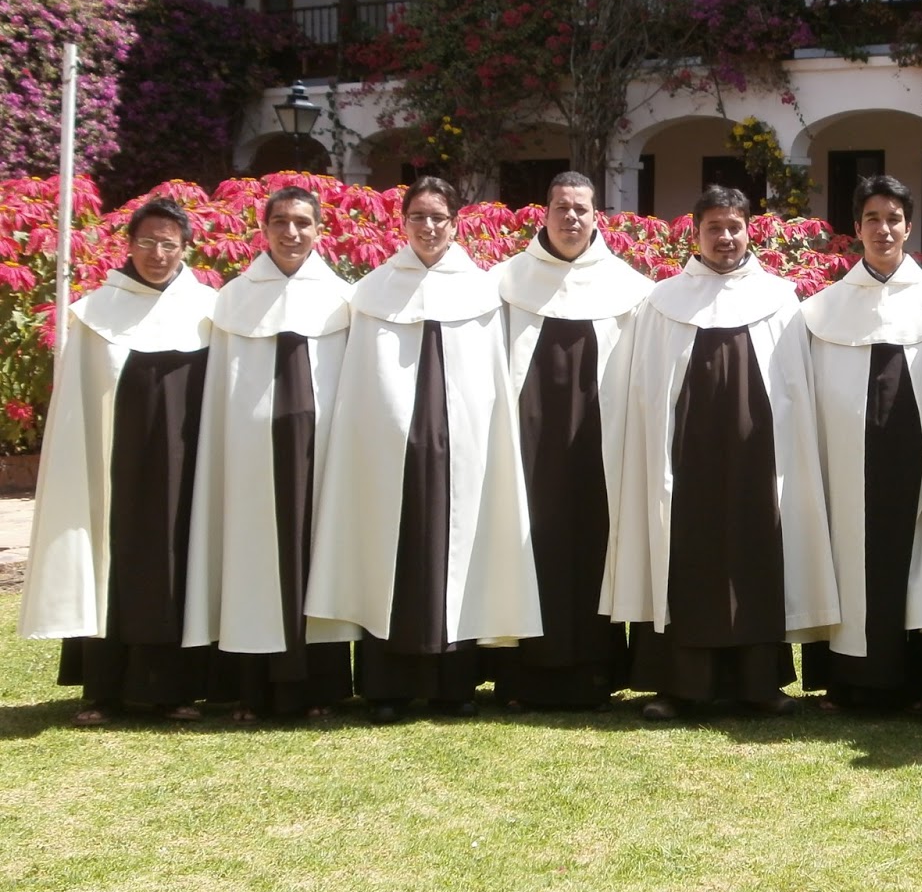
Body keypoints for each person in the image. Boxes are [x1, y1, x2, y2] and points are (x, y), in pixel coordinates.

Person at [305, 176, 541, 723]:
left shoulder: (484, 292)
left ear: (455, 224)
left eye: (438, 217)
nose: (428, 227)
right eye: (418, 217)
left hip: (465, 451)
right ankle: (387, 688)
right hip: (387, 453)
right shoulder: (371, 292)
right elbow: (360, 383)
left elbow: (492, 381)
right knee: (390, 555)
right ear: (403, 222)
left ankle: (452, 688)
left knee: (459, 555)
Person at [610, 185, 837, 720]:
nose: (725, 237)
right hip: (684, 463)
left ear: (748, 230)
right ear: (696, 234)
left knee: (756, 557)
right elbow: (646, 392)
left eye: (734, 227)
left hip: (760, 462)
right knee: (683, 559)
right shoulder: (662, 302)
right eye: (714, 227)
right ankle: (678, 687)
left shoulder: (779, 299)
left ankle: (759, 685)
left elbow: (797, 388)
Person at [20, 197, 217, 725]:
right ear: (128, 245)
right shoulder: (96, 313)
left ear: (186, 248)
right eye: (147, 242)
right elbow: (77, 402)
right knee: (109, 564)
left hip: (184, 468)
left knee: (176, 563)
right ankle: (102, 691)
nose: (157, 253)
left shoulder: (208, 312)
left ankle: (175, 690)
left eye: (169, 244)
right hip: (112, 466)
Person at [182, 186, 356, 721]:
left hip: (322, 456)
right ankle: (252, 691)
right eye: (280, 222)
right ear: (263, 229)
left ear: (320, 230)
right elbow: (220, 391)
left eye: (303, 222)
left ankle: (322, 690)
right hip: (249, 459)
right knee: (250, 560)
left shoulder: (344, 300)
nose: (291, 233)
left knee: (319, 558)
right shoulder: (234, 299)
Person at [492, 170, 652, 710]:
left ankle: (595, 676)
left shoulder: (630, 289)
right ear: (545, 212)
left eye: (581, 208)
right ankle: (520, 679)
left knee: (594, 546)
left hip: (598, 446)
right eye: (561, 207)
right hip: (527, 445)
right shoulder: (505, 283)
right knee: (527, 542)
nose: (571, 217)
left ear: (596, 216)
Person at [800, 175, 922, 710]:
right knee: (848, 556)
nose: (883, 229)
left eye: (893, 219)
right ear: (856, 228)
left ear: (909, 227)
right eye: (872, 219)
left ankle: (914, 684)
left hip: (914, 461)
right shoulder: (821, 310)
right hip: (845, 461)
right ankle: (847, 682)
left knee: (914, 559)